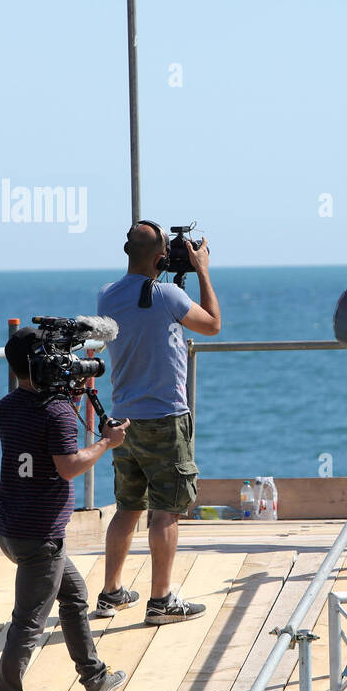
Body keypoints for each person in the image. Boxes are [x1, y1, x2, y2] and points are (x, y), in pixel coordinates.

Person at [0, 326, 129, 691]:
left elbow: (38, 437)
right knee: (28, 624)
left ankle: (95, 677)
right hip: (41, 536)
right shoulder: (57, 412)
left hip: (13, 529)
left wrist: (65, 396)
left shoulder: (7, 405)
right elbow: (68, 466)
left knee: (75, 595)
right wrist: (107, 442)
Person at [97, 221, 221, 624]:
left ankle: (111, 592)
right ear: (160, 257)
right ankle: (161, 600)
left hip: (123, 418)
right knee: (167, 511)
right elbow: (213, 325)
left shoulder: (107, 297)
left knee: (127, 507)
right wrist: (201, 268)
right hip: (165, 417)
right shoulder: (168, 294)